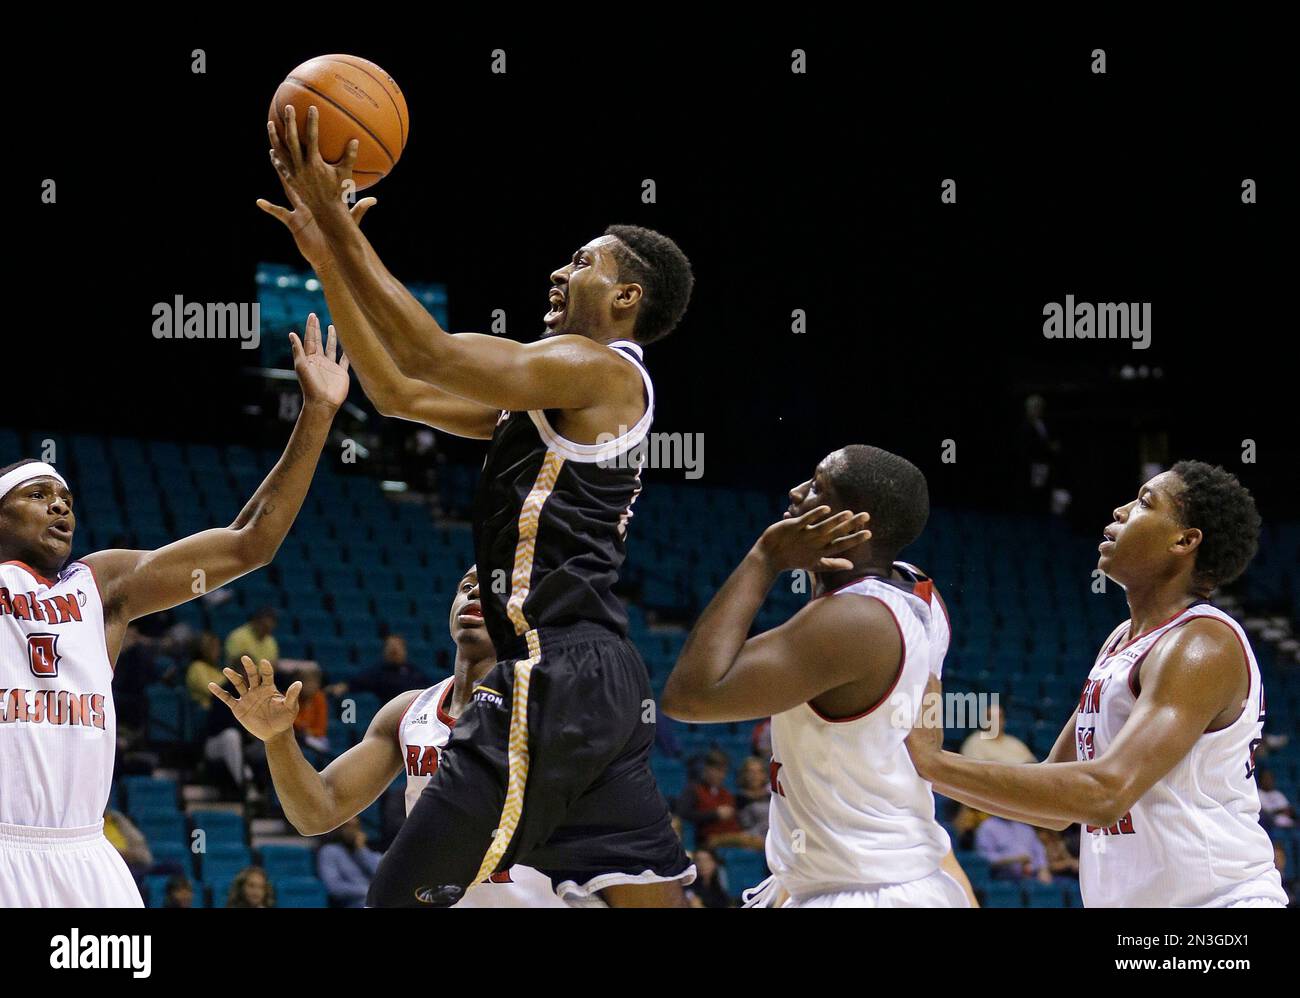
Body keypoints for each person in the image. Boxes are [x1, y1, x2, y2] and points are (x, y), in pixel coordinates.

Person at [259, 106, 697, 907]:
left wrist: (339, 223)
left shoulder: (603, 372)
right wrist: (328, 257)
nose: (560, 273)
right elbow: (396, 391)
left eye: (583, 262)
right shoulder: (548, 395)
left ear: (627, 294)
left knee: (399, 899)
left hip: (554, 670)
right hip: (591, 671)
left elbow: (433, 349)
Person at [0, 314, 350, 907]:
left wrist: (316, 415)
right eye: (39, 495)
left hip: (86, 858)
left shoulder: (100, 584)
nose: (61, 506)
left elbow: (249, 543)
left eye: (66, 498)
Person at [906, 461, 1288, 908]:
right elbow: (1053, 805)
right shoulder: (1119, 642)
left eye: (1145, 503)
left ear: (1185, 541)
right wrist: (920, 770)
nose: (1121, 510)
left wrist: (931, 763)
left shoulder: (1200, 643)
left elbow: (1104, 793)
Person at [663, 446, 975, 908]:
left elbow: (688, 696)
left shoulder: (854, 621)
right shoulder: (916, 589)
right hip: (874, 877)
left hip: (864, 893)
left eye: (817, 487)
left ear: (853, 523)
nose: (796, 493)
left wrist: (765, 558)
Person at [212, 565, 567, 907]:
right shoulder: (408, 712)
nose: (475, 591)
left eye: (495, 586)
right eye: (466, 585)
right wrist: (277, 738)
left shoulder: (554, 709)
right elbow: (318, 811)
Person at [317, 818, 383, 908]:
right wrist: (366, 891)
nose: (352, 831)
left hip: (375, 900)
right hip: (354, 902)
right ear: (339, 828)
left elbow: (381, 873)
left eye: (355, 826)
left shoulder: (364, 850)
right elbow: (334, 887)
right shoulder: (330, 851)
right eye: (348, 826)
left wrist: (362, 850)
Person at [974, 815, 1053, 883]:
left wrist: (1043, 869)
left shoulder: (1025, 826)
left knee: (1058, 885)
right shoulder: (988, 826)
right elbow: (984, 858)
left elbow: (1039, 851)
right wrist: (1014, 859)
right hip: (1002, 877)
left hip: (1032, 875)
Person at [959, 702, 1036, 764]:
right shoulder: (974, 742)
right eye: (990, 717)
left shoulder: (1015, 743)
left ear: (1004, 721)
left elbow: (1033, 765)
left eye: (999, 717)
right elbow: (975, 771)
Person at [354, 635, 422, 703]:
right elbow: (356, 683)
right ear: (385, 650)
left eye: (398, 646)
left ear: (404, 650)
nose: (394, 649)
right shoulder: (377, 672)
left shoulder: (414, 672)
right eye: (390, 646)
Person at [225, 606, 279, 672]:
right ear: (255, 621)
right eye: (264, 626)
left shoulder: (271, 641)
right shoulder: (238, 636)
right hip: (239, 677)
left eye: (269, 628)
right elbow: (235, 664)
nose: (266, 630)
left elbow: (273, 665)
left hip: (263, 678)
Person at [186, 632, 226, 710]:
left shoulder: (215, 668)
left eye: (218, 646)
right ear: (204, 649)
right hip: (207, 712)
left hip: (220, 708)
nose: (219, 650)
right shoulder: (197, 667)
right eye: (214, 647)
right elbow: (212, 691)